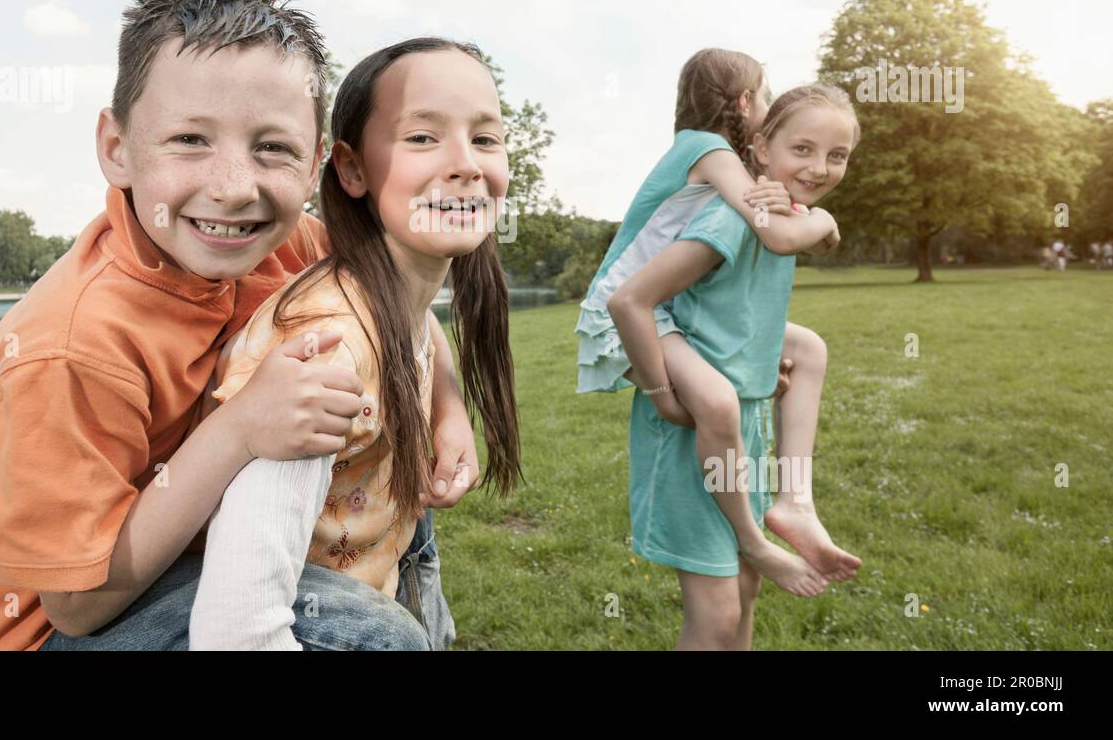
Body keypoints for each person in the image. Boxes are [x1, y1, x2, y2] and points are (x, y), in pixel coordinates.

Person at [0, 0, 478, 650]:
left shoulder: (284, 243)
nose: (234, 188)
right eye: (189, 140)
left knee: (389, 471)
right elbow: (75, 606)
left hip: (170, 559)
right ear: (117, 149)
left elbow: (389, 296)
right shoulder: (72, 345)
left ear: (316, 161)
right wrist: (239, 429)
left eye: (272, 147)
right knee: (360, 632)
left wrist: (446, 407)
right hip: (38, 632)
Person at [189, 37, 523, 649]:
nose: (467, 164)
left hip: (386, 586)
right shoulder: (327, 356)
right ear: (351, 169)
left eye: (485, 138)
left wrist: (447, 402)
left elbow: (418, 326)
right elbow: (238, 632)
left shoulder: (391, 294)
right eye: (422, 137)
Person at [576, 49, 860, 593]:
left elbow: (774, 217)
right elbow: (773, 231)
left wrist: (817, 220)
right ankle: (751, 539)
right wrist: (824, 218)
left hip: (663, 304)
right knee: (716, 403)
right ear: (747, 101)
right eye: (768, 95)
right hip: (627, 311)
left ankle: (795, 501)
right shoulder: (710, 149)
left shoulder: (704, 153)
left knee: (809, 351)